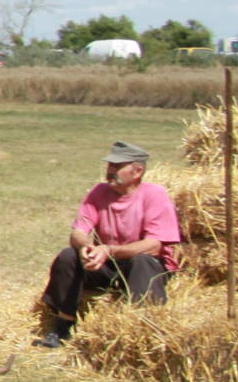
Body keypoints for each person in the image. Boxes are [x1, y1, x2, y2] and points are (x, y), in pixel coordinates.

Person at [35, 140, 179, 347]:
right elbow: (78, 232)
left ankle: (142, 333)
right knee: (68, 256)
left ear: (137, 171)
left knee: (142, 261)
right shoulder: (99, 192)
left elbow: (154, 245)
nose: (110, 171)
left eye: (117, 167)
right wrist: (85, 247)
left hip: (143, 267)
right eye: (110, 166)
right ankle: (62, 328)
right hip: (109, 265)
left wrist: (109, 250)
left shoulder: (155, 195)